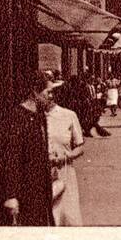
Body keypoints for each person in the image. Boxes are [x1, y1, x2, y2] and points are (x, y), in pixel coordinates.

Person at [0, 69, 57, 226]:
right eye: (48, 92)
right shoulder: (18, 117)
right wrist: (11, 195)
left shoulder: (39, 116)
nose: (51, 96)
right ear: (35, 92)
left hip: (39, 190)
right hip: (23, 193)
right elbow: (10, 157)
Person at [46, 81, 86, 225]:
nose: (50, 96)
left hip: (64, 172)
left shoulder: (68, 115)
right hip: (41, 174)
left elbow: (80, 146)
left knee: (68, 218)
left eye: (53, 93)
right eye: (47, 92)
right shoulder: (34, 117)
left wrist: (68, 155)